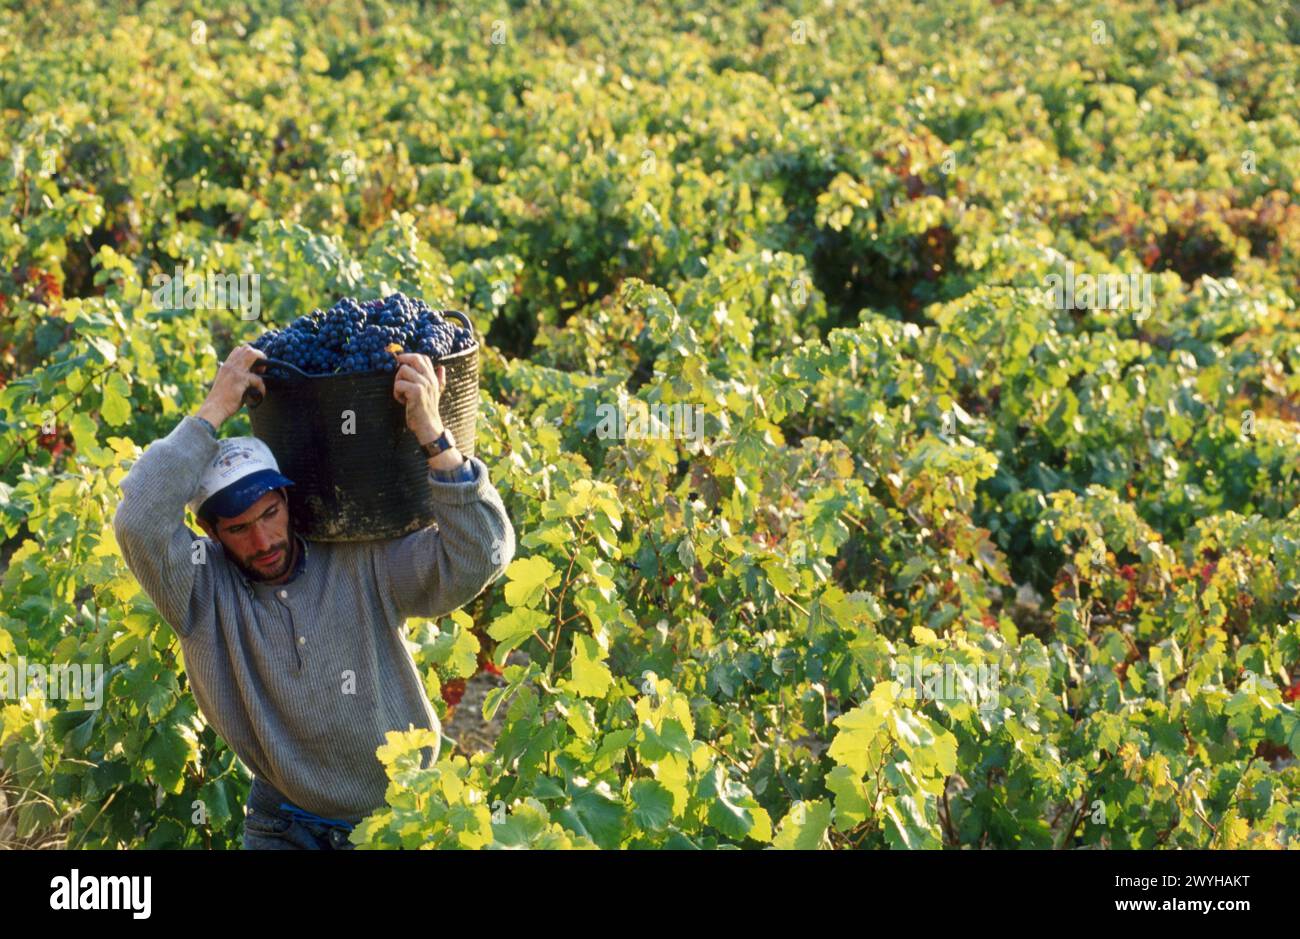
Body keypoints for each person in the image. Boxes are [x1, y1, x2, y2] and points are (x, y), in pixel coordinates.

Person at [112, 343, 516, 849]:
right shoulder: (199, 593)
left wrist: (434, 437)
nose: (263, 541)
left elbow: (482, 555)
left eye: (269, 514)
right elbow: (138, 520)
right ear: (210, 534)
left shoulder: (358, 556)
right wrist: (213, 410)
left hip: (401, 819)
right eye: (239, 528)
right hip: (285, 829)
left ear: (288, 501)